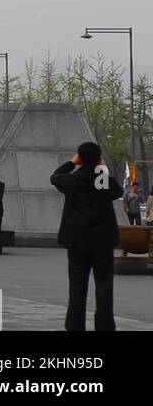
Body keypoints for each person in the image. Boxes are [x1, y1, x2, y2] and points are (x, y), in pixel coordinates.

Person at [50, 141, 123, 331]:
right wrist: (102, 169)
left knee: (77, 286)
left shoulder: (71, 181)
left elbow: (55, 177)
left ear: (80, 158)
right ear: (99, 159)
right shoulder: (102, 179)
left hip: (77, 241)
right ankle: (105, 325)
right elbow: (118, 191)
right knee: (105, 286)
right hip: (102, 241)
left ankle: (74, 325)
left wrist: (72, 163)